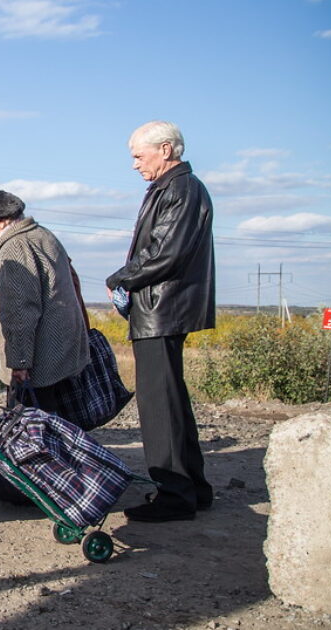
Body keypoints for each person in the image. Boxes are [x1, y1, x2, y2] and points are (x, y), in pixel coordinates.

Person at [107, 120, 215, 522]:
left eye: (139, 156)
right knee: (171, 400)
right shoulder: (175, 188)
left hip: (162, 310)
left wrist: (120, 278)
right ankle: (193, 489)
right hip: (163, 309)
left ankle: (174, 496)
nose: (135, 164)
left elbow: (165, 253)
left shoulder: (180, 189)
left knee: (159, 406)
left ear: (165, 149)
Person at [0, 190, 88, 408]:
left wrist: (19, 362)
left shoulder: (16, 246)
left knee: (29, 425)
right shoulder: (42, 235)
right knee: (54, 420)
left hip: (39, 361)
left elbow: (20, 309)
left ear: (1, 221)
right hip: (59, 353)